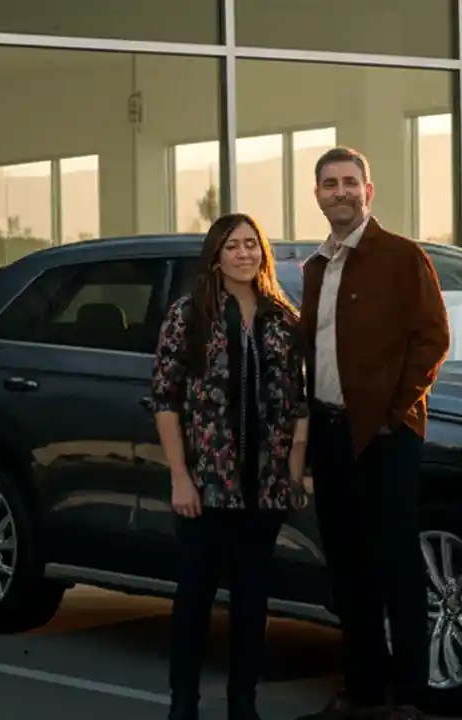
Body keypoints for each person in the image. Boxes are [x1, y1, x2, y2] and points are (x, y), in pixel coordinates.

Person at [297, 147, 450, 720]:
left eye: (349, 182)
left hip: (387, 437)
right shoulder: (316, 267)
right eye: (329, 184)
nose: (340, 192)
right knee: (347, 566)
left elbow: (432, 339)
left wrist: (392, 413)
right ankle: (361, 692)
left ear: (369, 190)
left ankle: (408, 697)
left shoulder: (401, 256)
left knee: (396, 566)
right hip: (331, 434)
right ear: (317, 195)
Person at [146, 213, 311, 720]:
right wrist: (179, 477)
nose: (243, 254)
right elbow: (165, 400)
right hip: (205, 486)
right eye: (231, 245)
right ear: (215, 255)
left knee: (251, 603)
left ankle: (244, 703)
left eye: (251, 244)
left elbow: (299, 404)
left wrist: (298, 471)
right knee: (194, 600)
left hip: (264, 490)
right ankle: (184, 703)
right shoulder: (189, 314)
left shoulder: (284, 317)